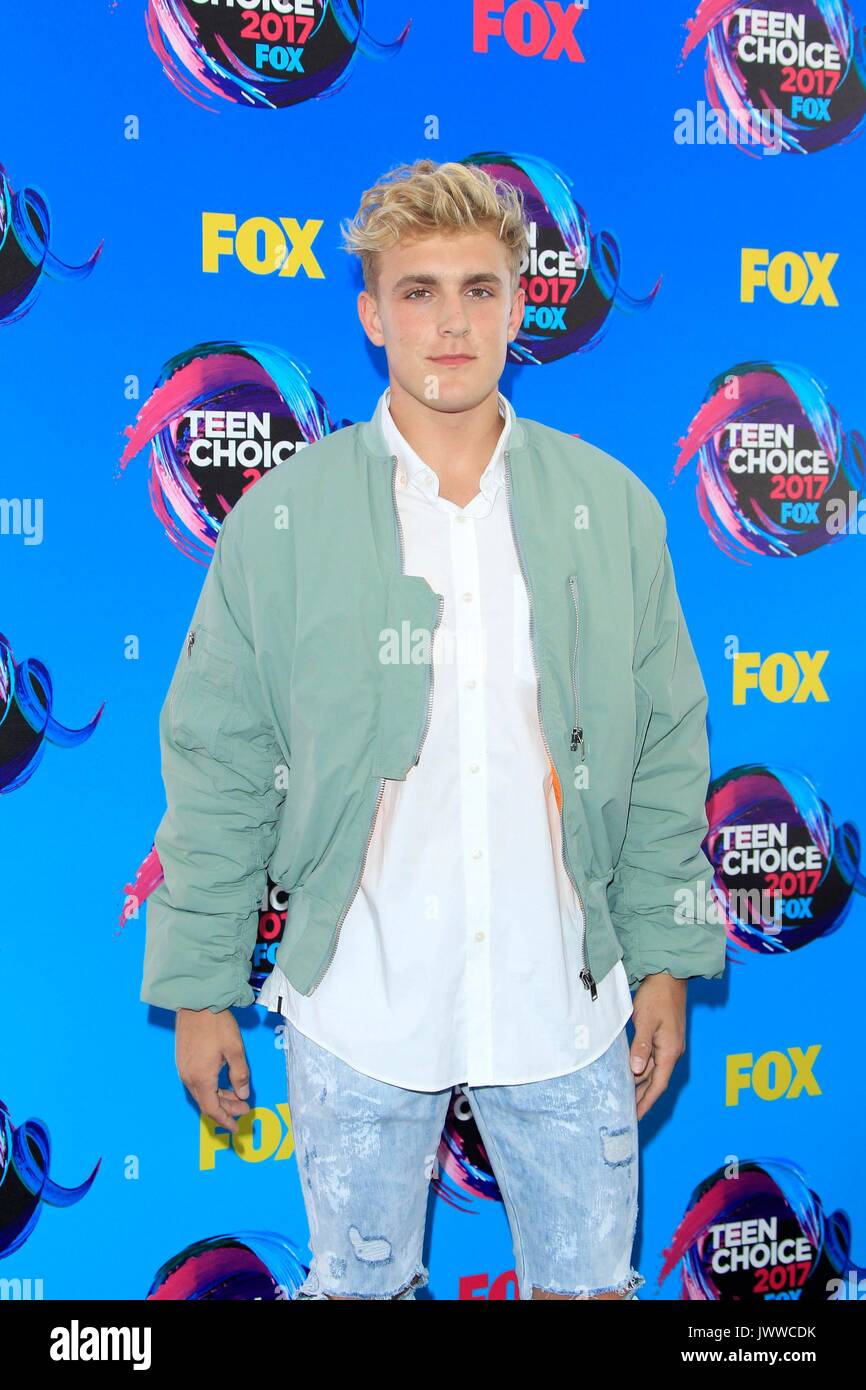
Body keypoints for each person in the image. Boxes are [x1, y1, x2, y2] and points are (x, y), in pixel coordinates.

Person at [141, 159, 726, 1301]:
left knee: (590, 1288)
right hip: (358, 999)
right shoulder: (286, 518)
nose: (449, 321)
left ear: (519, 304)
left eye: (475, 288)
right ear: (370, 314)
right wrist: (202, 984)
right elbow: (219, 764)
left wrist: (664, 957)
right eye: (416, 291)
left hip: (561, 996)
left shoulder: (608, 510)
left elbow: (663, 752)